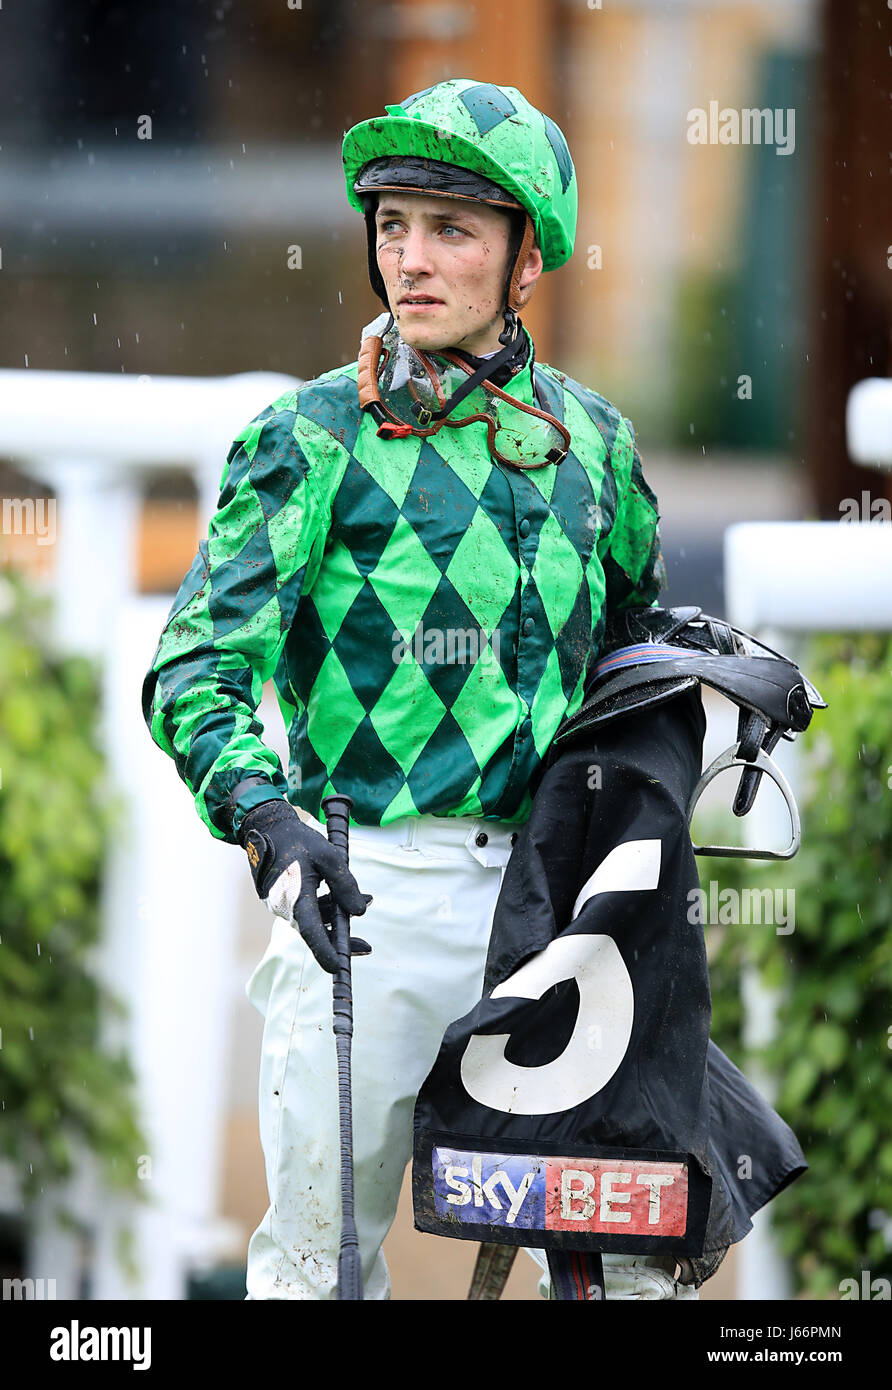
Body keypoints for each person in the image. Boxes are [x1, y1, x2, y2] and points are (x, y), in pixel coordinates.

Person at [142, 77, 687, 1300]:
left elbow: (633, 657)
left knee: (618, 1272)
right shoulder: (310, 437)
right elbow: (195, 665)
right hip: (365, 891)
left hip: (556, 908)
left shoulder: (596, 444)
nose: (412, 259)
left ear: (526, 256)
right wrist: (266, 821)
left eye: (452, 229)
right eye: (393, 224)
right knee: (319, 1267)